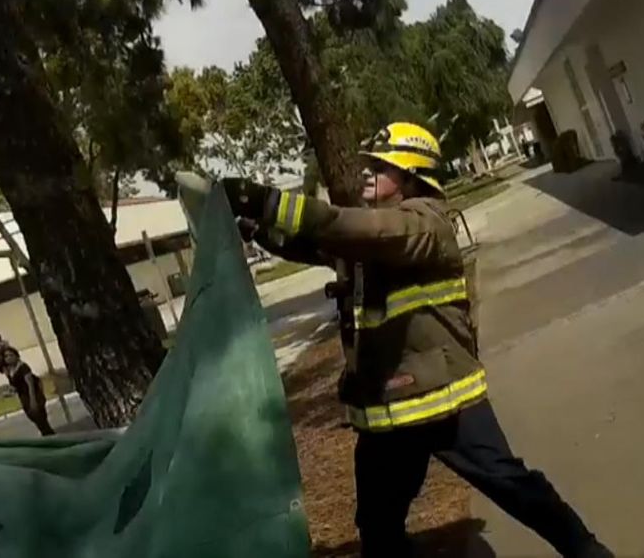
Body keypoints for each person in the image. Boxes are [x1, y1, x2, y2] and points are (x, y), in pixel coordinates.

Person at [223, 122, 609, 558]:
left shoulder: (425, 225)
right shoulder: (369, 235)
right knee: (378, 528)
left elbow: (355, 229)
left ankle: (587, 550)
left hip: (446, 401)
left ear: (409, 177)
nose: (365, 173)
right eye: (367, 165)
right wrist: (258, 227)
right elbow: (319, 241)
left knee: (513, 485)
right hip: (390, 415)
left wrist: (270, 200)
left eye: (380, 166)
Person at [0, 347, 56, 436]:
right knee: (33, 418)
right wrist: (10, 392)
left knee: (40, 419)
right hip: (23, 397)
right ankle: (46, 434)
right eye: (6, 356)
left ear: (16, 355)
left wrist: (33, 401)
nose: (9, 358)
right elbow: (16, 385)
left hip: (33, 395)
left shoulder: (23, 367)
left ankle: (50, 436)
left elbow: (30, 384)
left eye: (11, 355)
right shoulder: (10, 370)